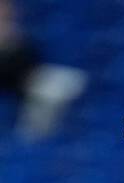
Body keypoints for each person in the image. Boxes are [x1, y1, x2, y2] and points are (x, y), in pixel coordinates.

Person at [0, 1, 87, 141]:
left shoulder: (23, 49)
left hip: (23, 86)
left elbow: (25, 68)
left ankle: (33, 143)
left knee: (58, 86)